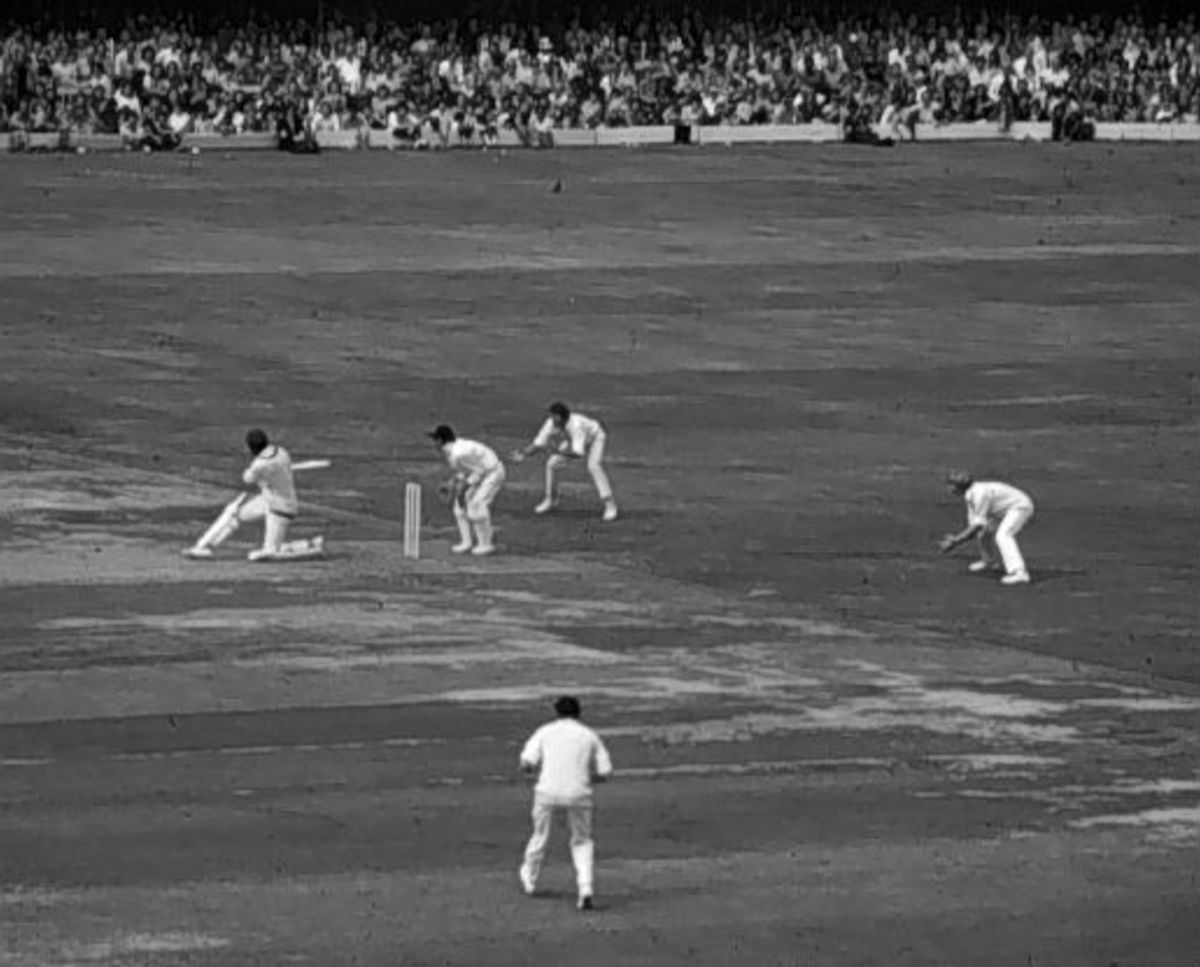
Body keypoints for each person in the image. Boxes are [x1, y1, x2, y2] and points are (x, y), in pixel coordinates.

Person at [518, 695, 613, 911]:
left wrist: (531, 770)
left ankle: (529, 878)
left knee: (540, 834)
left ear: (557, 712)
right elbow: (605, 771)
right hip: (579, 792)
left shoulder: (545, 731)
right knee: (582, 840)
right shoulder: (589, 735)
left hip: (547, 791)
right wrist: (589, 779)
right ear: (578, 713)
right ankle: (585, 888)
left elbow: (527, 762)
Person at [184, 429, 324, 561]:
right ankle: (208, 547)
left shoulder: (260, 465)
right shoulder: (281, 451)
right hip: (268, 500)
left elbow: (247, 479)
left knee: (268, 553)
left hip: (281, 509)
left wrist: (253, 473)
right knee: (236, 515)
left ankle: (309, 548)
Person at [511, 402, 618, 521]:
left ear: (562, 417)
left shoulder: (576, 425)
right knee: (551, 464)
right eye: (551, 416)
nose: (551, 419)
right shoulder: (551, 423)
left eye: (554, 417)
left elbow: (578, 453)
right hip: (573, 440)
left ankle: (610, 505)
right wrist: (523, 453)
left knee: (593, 466)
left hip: (595, 438)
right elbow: (538, 444)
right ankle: (550, 500)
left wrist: (558, 452)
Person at [938, 470, 1035, 585]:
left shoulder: (979, 494)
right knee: (984, 532)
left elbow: (977, 525)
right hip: (1003, 509)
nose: (949, 489)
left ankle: (1019, 573)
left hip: (1020, 507)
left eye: (950, 485)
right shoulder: (971, 494)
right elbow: (975, 526)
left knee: (1003, 535)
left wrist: (956, 541)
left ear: (958, 487)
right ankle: (989, 562)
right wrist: (958, 539)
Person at [429, 424, 505, 556]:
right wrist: (450, 484)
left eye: (434, 440)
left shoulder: (459, 453)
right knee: (459, 508)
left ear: (440, 441)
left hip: (492, 473)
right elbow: (464, 471)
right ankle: (466, 542)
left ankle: (486, 545)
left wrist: (462, 491)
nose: (433, 444)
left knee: (476, 505)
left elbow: (478, 472)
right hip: (481, 473)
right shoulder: (452, 451)